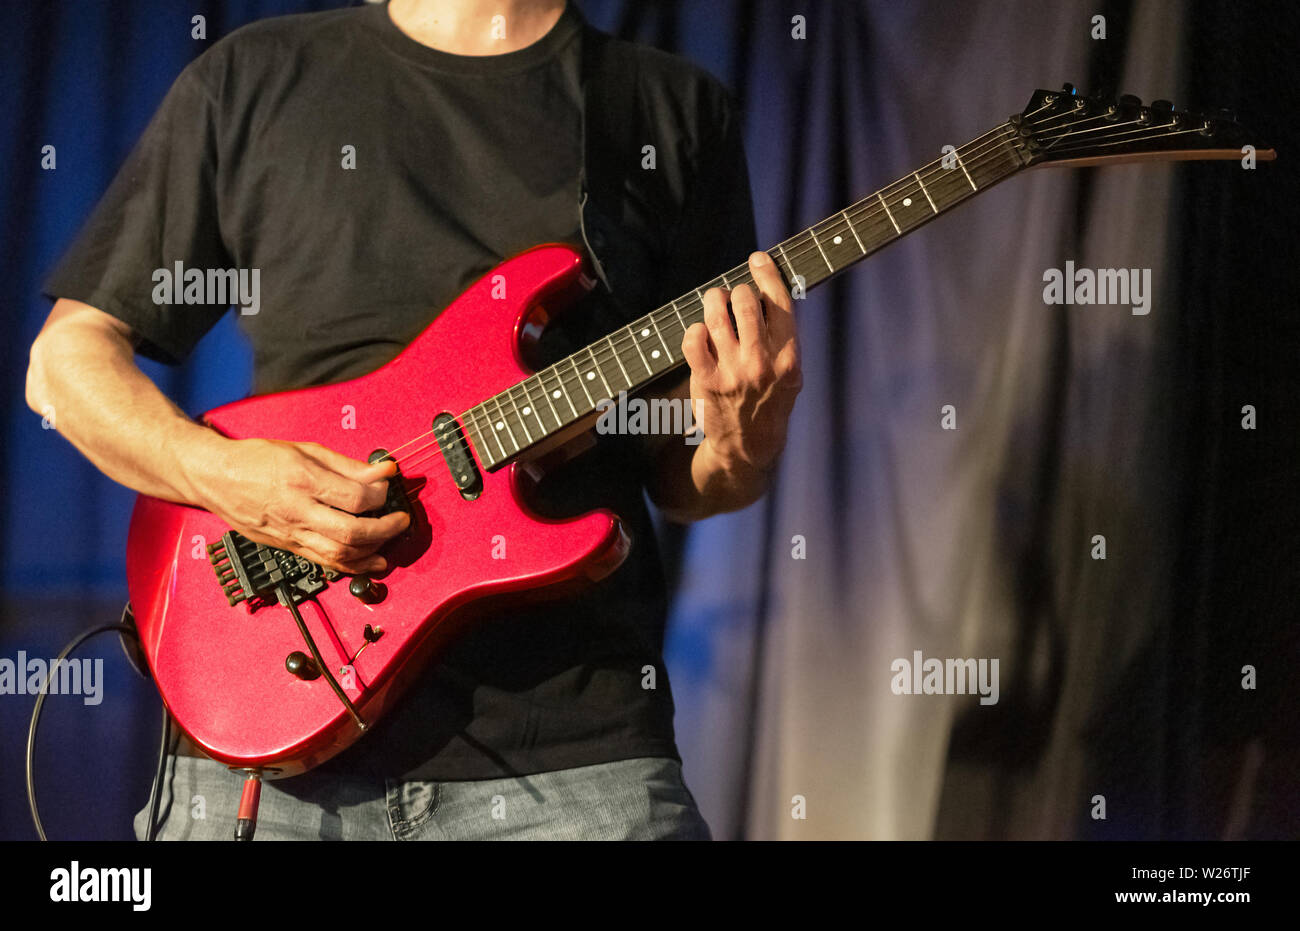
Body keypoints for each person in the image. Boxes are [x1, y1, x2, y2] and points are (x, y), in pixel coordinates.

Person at [26, 0, 801, 840]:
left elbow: (686, 478)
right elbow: (64, 365)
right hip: (270, 757)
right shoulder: (251, 78)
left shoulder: (665, 108)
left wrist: (742, 439)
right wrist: (227, 477)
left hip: (578, 763)